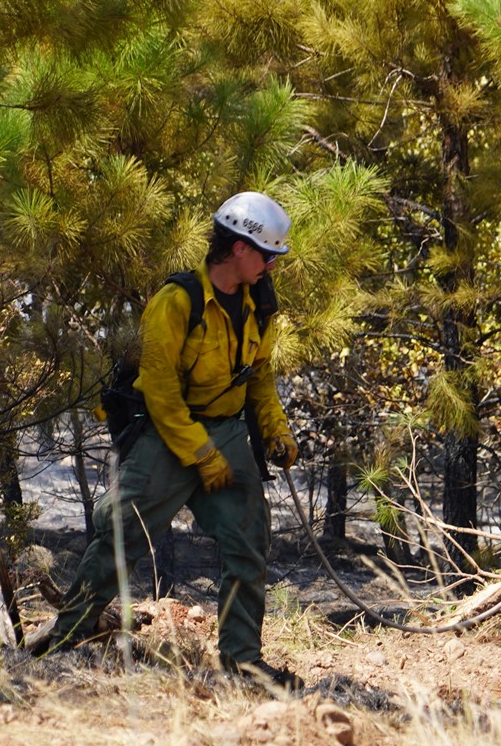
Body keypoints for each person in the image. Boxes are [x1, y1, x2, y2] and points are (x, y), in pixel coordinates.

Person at [31, 192, 301, 689]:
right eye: (267, 255)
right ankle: (64, 645)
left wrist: (276, 433)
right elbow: (159, 391)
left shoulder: (258, 305)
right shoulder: (176, 302)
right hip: (168, 431)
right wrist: (201, 454)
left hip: (225, 432)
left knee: (248, 543)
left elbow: (259, 378)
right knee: (121, 535)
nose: (272, 266)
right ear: (239, 248)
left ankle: (242, 665)